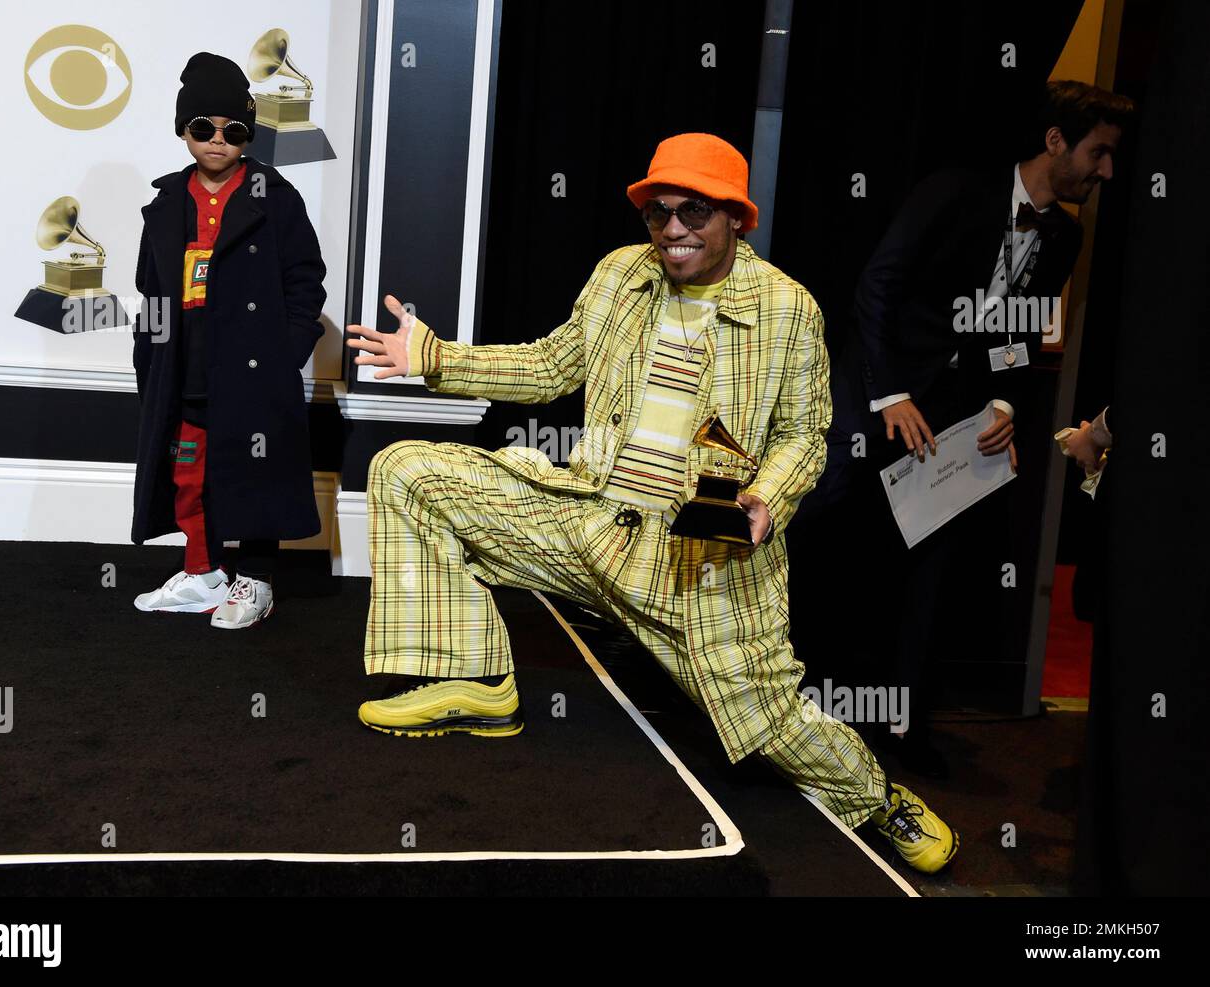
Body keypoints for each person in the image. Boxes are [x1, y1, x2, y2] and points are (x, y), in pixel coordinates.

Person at [346, 133, 958, 873]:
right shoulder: (618, 277)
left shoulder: (787, 307)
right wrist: (434, 358)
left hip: (698, 559)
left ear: (737, 217)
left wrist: (768, 496)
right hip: (591, 520)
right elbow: (549, 365)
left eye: (694, 212)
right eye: (659, 212)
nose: (672, 229)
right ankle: (475, 680)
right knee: (408, 470)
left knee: (772, 726)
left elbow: (806, 434)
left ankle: (877, 798)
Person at [788, 81, 1133, 777]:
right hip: (876, 387)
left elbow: (1013, 335)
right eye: (1098, 152)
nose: (1107, 171)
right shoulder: (953, 192)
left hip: (957, 414)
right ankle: (778, 700)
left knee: (932, 563)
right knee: (820, 523)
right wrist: (888, 395)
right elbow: (877, 286)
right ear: (1056, 141)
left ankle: (901, 729)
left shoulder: (1062, 234)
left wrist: (1005, 404)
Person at [130, 52, 327, 629]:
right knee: (188, 467)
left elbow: (304, 278)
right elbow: (150, 288)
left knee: (255, 470)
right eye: (203, 128)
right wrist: (151, 352)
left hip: (255, 362)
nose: (217, 141)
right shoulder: (166, 202)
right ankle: (202, 571)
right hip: (185, 358)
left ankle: (257, 580)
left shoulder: (275, 195)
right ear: (182, 130)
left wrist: (289, 349)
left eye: (233, 130)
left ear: (248, 135)